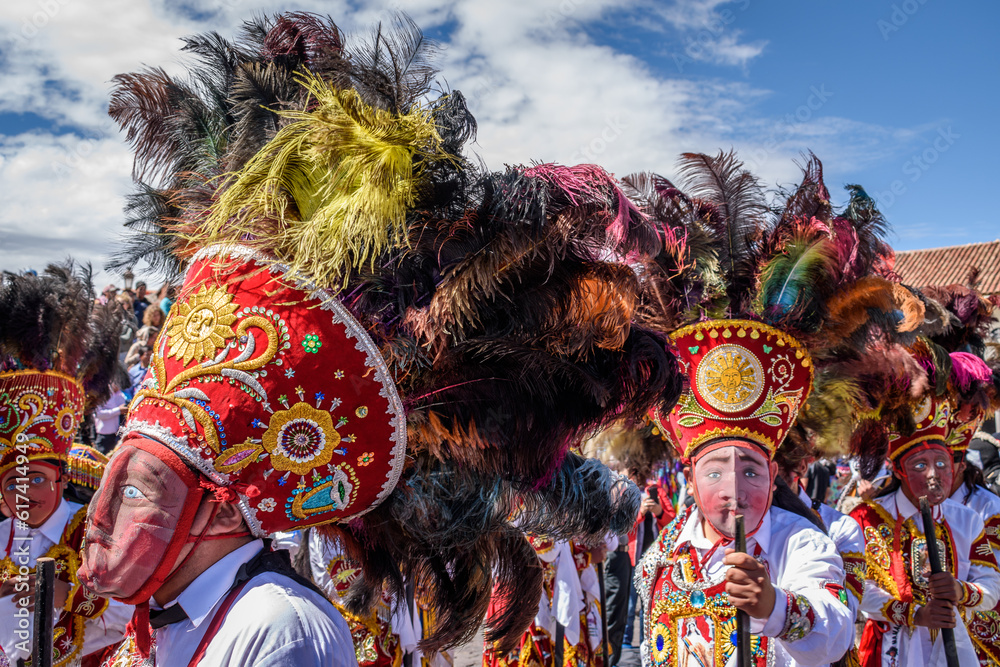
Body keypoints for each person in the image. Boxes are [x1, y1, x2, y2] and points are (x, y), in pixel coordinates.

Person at [82, 12, 680, 665]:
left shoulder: (278, 627)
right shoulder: (145, 618)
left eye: (139, 488)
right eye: (124, 480)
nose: (104, 516)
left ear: (219, 511)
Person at [0, 263, 132, 666]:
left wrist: (49, 590)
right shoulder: (3, 533)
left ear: (61, 479)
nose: (23, 493)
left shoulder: (97, 536)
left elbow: (130, 613)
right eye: (11, 483)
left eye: (35, 478)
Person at [851, 393, 1000, 666]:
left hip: (953, 646)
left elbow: (991, 586)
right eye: (920, 465)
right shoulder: (866, 518)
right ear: (898, 470)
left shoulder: (967, 520)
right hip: (891, 649)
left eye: (941, 463)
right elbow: (857, 588)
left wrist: (960, 590)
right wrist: (914, 614)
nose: (934, 474)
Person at [92, 381, 127, 454]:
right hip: (104, 436)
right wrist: (118, 410)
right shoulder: (100, 394)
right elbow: (99, 414)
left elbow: (122, 406)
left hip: (116, 435)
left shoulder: (118, 394)